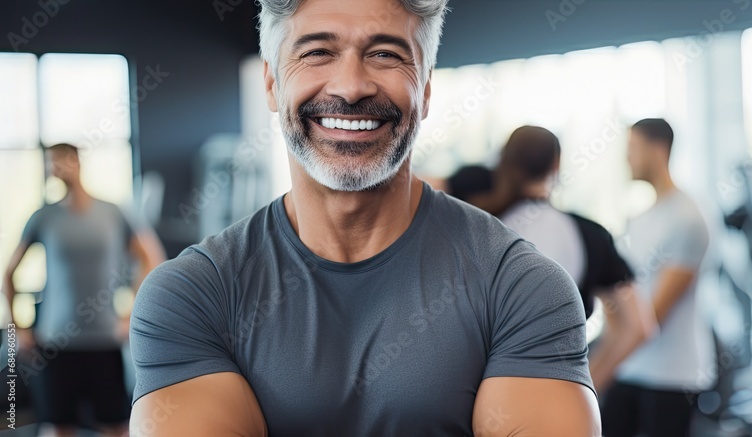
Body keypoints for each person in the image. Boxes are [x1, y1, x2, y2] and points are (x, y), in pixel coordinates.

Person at [128, 1, 600, 435]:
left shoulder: (522, 288)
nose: (351, 87)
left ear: (427, 88)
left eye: (386, 55)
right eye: (317, 52)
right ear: (272, 83)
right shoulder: (189, 297)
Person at [469, 126, 656, 395]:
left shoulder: (474, 225)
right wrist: (586, 385)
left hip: (479, 401)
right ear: (557, 164)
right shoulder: (588, 235)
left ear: (505, 162)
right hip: (555, 402)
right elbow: (639, 327)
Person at [2, 143, 166, 437]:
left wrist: (131, 313)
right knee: (57, 428)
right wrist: (18, 328)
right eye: (48, 163)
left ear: (75, 162)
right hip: (54, 342)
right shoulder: (44, 216)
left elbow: (151, 259)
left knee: (117, 427)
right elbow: (8, 273)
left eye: (58, 161)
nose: (53, 168)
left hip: (104, 340)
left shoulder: (112, 212)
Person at [601, 118, 714, 437]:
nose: (627, 158)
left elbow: (651, 317)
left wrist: (599, 366)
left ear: (658, 149)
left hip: (671, 377)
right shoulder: (641, 218)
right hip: (631, 369)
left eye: (633, 148)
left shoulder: (688, 218)